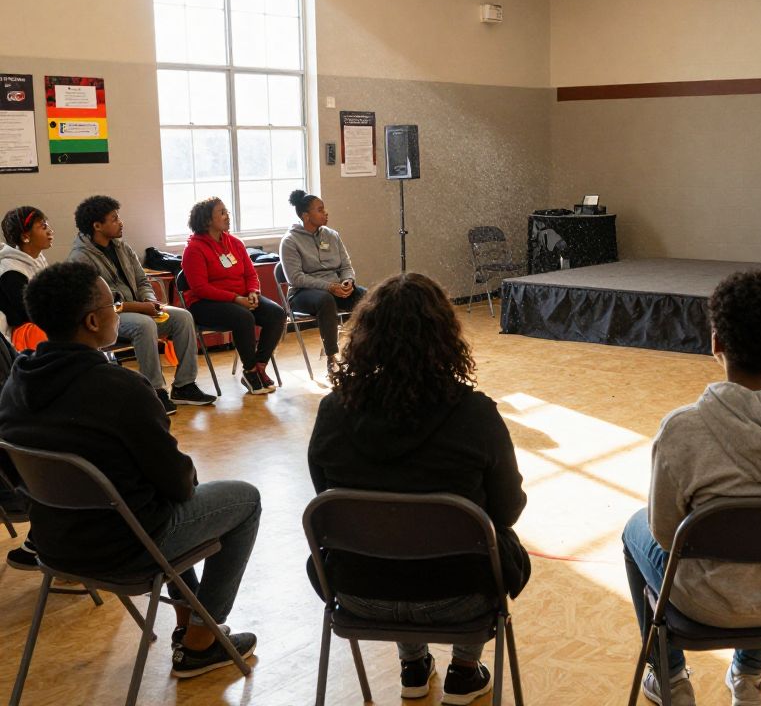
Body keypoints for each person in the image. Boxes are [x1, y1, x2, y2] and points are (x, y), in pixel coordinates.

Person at [0, 261, 261, 677]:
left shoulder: (15, 382)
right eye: (113, 304)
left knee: (155, 501)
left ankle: (185, 620)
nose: (118, 311)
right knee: (244, 499)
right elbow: (179, 483)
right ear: (91, 321)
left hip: (55, 543)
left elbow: (13, 475)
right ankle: (201, 640)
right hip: (125, 548)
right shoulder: (122, 388)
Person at [307, 273, 530, 705]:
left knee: (384, 527)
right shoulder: (475, 413)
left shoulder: (334, 411)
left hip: (357, 591)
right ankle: (464, 671)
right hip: (458, 595)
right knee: (488, 539)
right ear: (445, 336)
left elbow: (327, 500)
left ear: (366, 336)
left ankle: (412, 664)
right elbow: (507, 510)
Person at [622, 270, 761, 706]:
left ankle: (669, 676)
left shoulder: (684, 429)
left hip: (706, 604)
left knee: (635, 529)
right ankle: (748, 675)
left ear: (715, 341)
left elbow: (667, 535)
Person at [68, 195, 216, 415]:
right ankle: (154, 392)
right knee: (144, 324)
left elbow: (142, 280)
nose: (121, 222)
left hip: (140, 309)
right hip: (108, 318)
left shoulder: (122, 247)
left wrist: (148, 300)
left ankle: (184, 386)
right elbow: (100, 303)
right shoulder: (80, 258)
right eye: (114, 219)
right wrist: (139, 307)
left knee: (183, 317)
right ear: (97, 226)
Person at [181, 197, 286, 395]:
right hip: (205, 303)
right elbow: (200, 288)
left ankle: (260, 366)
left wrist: (254, 292)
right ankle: (251, 370)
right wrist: (236, 299)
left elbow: (250, 274)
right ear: (207, 221)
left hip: (241, 298)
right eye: (221, 212)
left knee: (277, 313)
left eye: (226, 211)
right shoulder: (194, 249)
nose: (227, 216)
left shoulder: (235, 243)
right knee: (243, 316)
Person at [279, 189, 366, 376]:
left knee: (368, 297)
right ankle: (332, 358)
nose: (325, 213)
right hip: (303, 293)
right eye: (320, 209)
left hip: (336, 289)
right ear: (306, 216)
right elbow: (296, 278)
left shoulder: (332, 235)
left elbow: (346, 265)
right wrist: (329, 286)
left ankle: (366, 351)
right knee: (325, 300)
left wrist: (348, 281)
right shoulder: (290, 241)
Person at [0, 206, 53, 351]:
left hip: (40, 324)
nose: (50, 231)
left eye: (47, 225)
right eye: (43, 227)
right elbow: (29, 315)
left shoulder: (38, 257)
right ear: (25, 237)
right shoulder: (10, 271)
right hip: (19, 334)